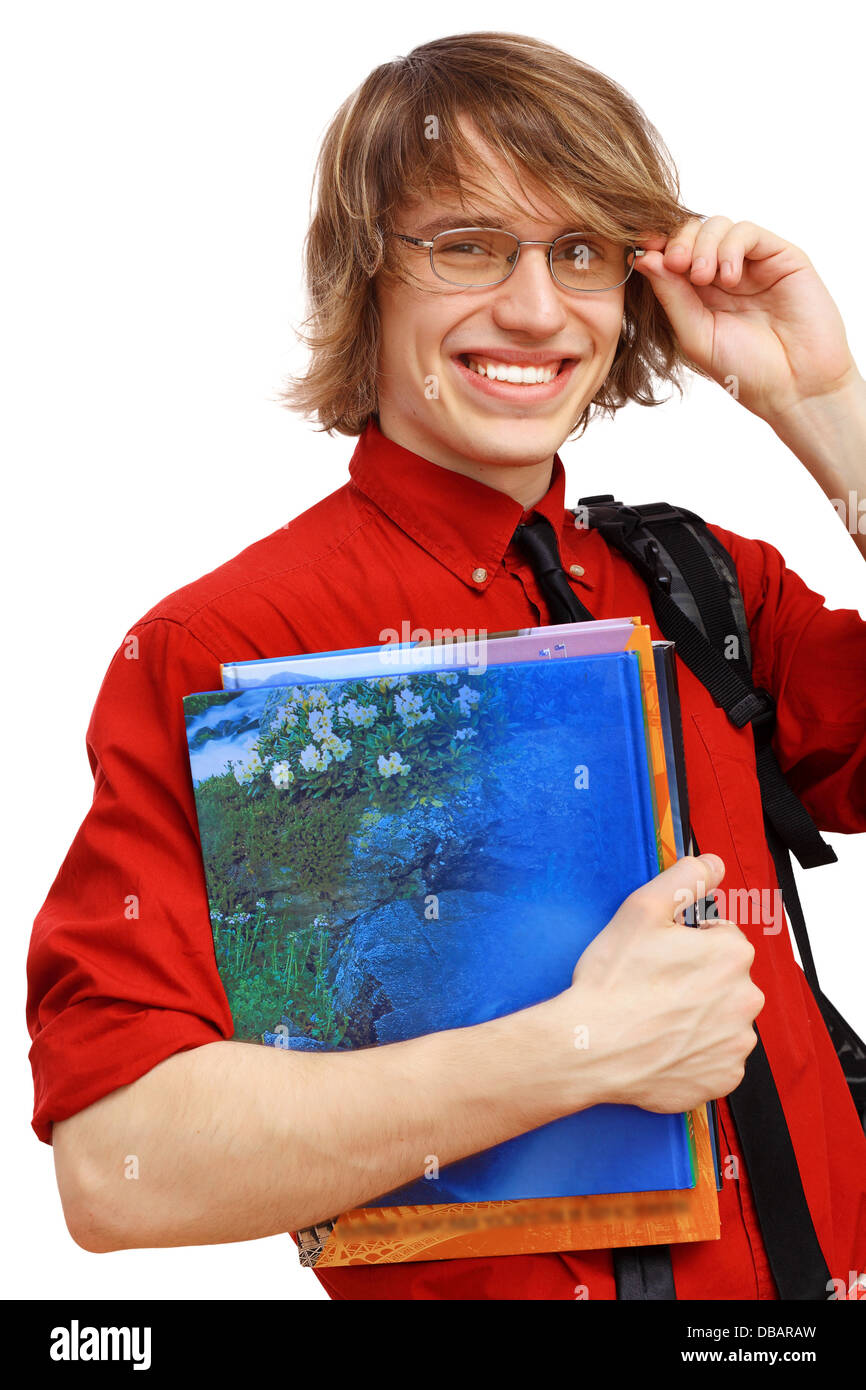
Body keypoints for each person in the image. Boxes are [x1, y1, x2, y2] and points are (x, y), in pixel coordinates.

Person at [27, 31, 866, 1301]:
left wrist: (825, 405)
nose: (534, 309)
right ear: (365, 277)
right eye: (466, 244)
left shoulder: (706, 586)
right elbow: (116, 1163)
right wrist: (579, 1049)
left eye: (578, 252)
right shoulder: (231, 645)